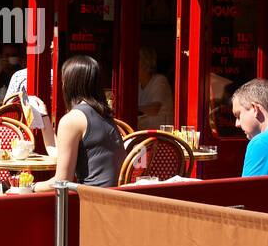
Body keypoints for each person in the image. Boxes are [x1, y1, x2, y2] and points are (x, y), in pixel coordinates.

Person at [39, 54, 125, 189]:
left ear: (68, 84)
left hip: (91, 202)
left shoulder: (72, 119)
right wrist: (43, 117)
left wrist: (30, 187)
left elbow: (62, 181)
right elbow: (57, 152)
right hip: (114, 199)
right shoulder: (104, 114)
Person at [136, 47, 173, 130]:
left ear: (144, 64)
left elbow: (154, 109)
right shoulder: (137, 85)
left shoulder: (160, 81)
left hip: (159, 136)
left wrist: (133, 109)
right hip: (141, 133)